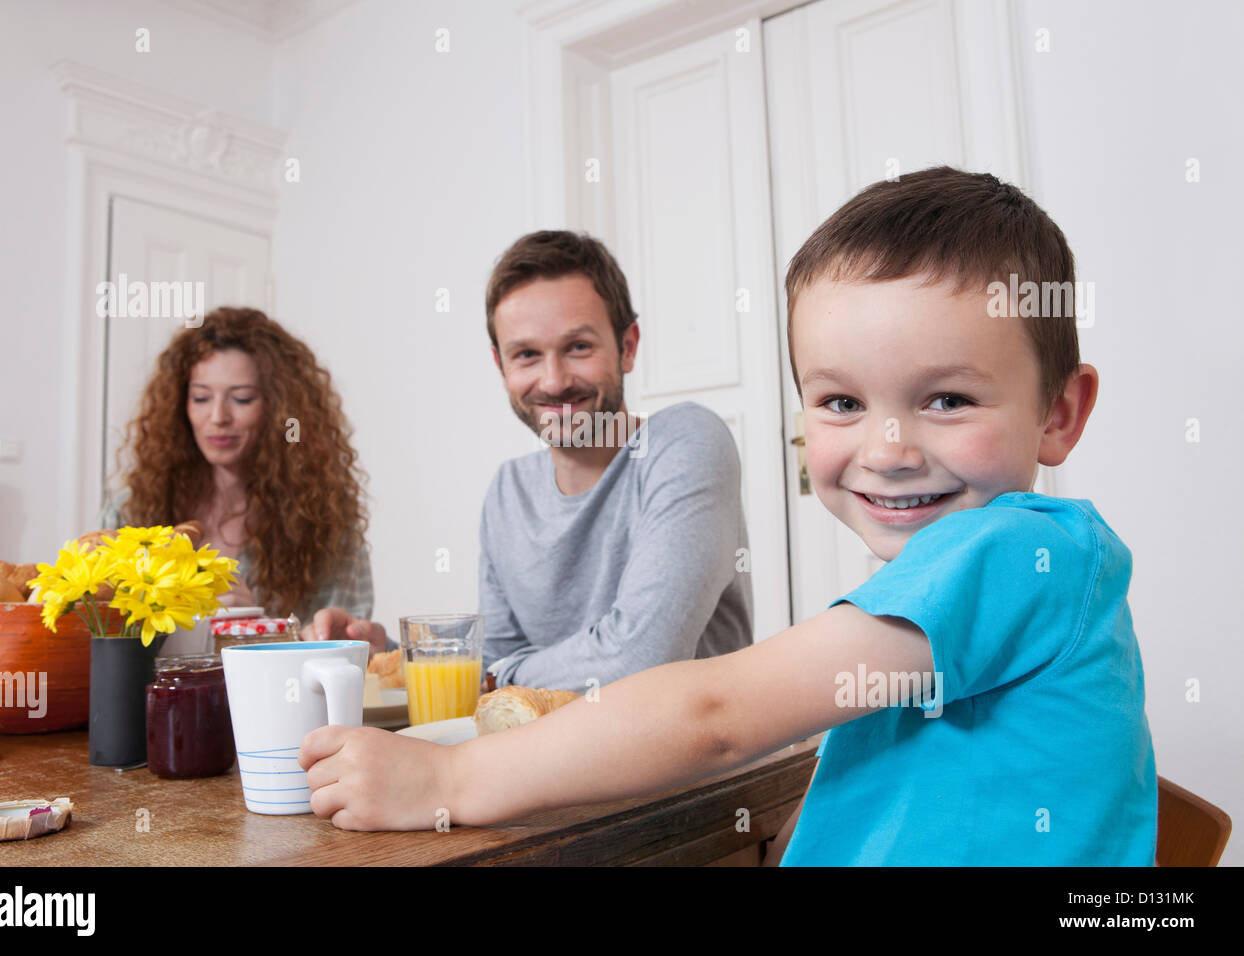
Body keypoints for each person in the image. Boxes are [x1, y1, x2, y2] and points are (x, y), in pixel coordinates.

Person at [299, 168, 1156, 865]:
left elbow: (714, 714)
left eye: (946, 398)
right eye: (842, 401)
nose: (888, 448)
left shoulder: (1015, 552)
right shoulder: (964, 574)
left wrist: (449, 783)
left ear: (1058, 412)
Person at [315, 231, 754, 689]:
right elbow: (493, 659)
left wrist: (499, 674)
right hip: (558, 756)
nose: (554, 380)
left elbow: (641, 656)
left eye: (578, 347)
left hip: (699, 760)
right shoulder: (509, 490)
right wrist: (388, 651)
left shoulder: (685, 440)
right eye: (526, 355)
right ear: (500, 365)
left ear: (627, 346)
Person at [98, 307, 377, 631]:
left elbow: (341, 646)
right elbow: (100, 633)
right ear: (180, 405)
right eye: (201, 398)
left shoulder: (324, 520)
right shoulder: (129, 511)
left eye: (242, 399)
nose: (218, 417)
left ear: (277, 407)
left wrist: (259, 630)